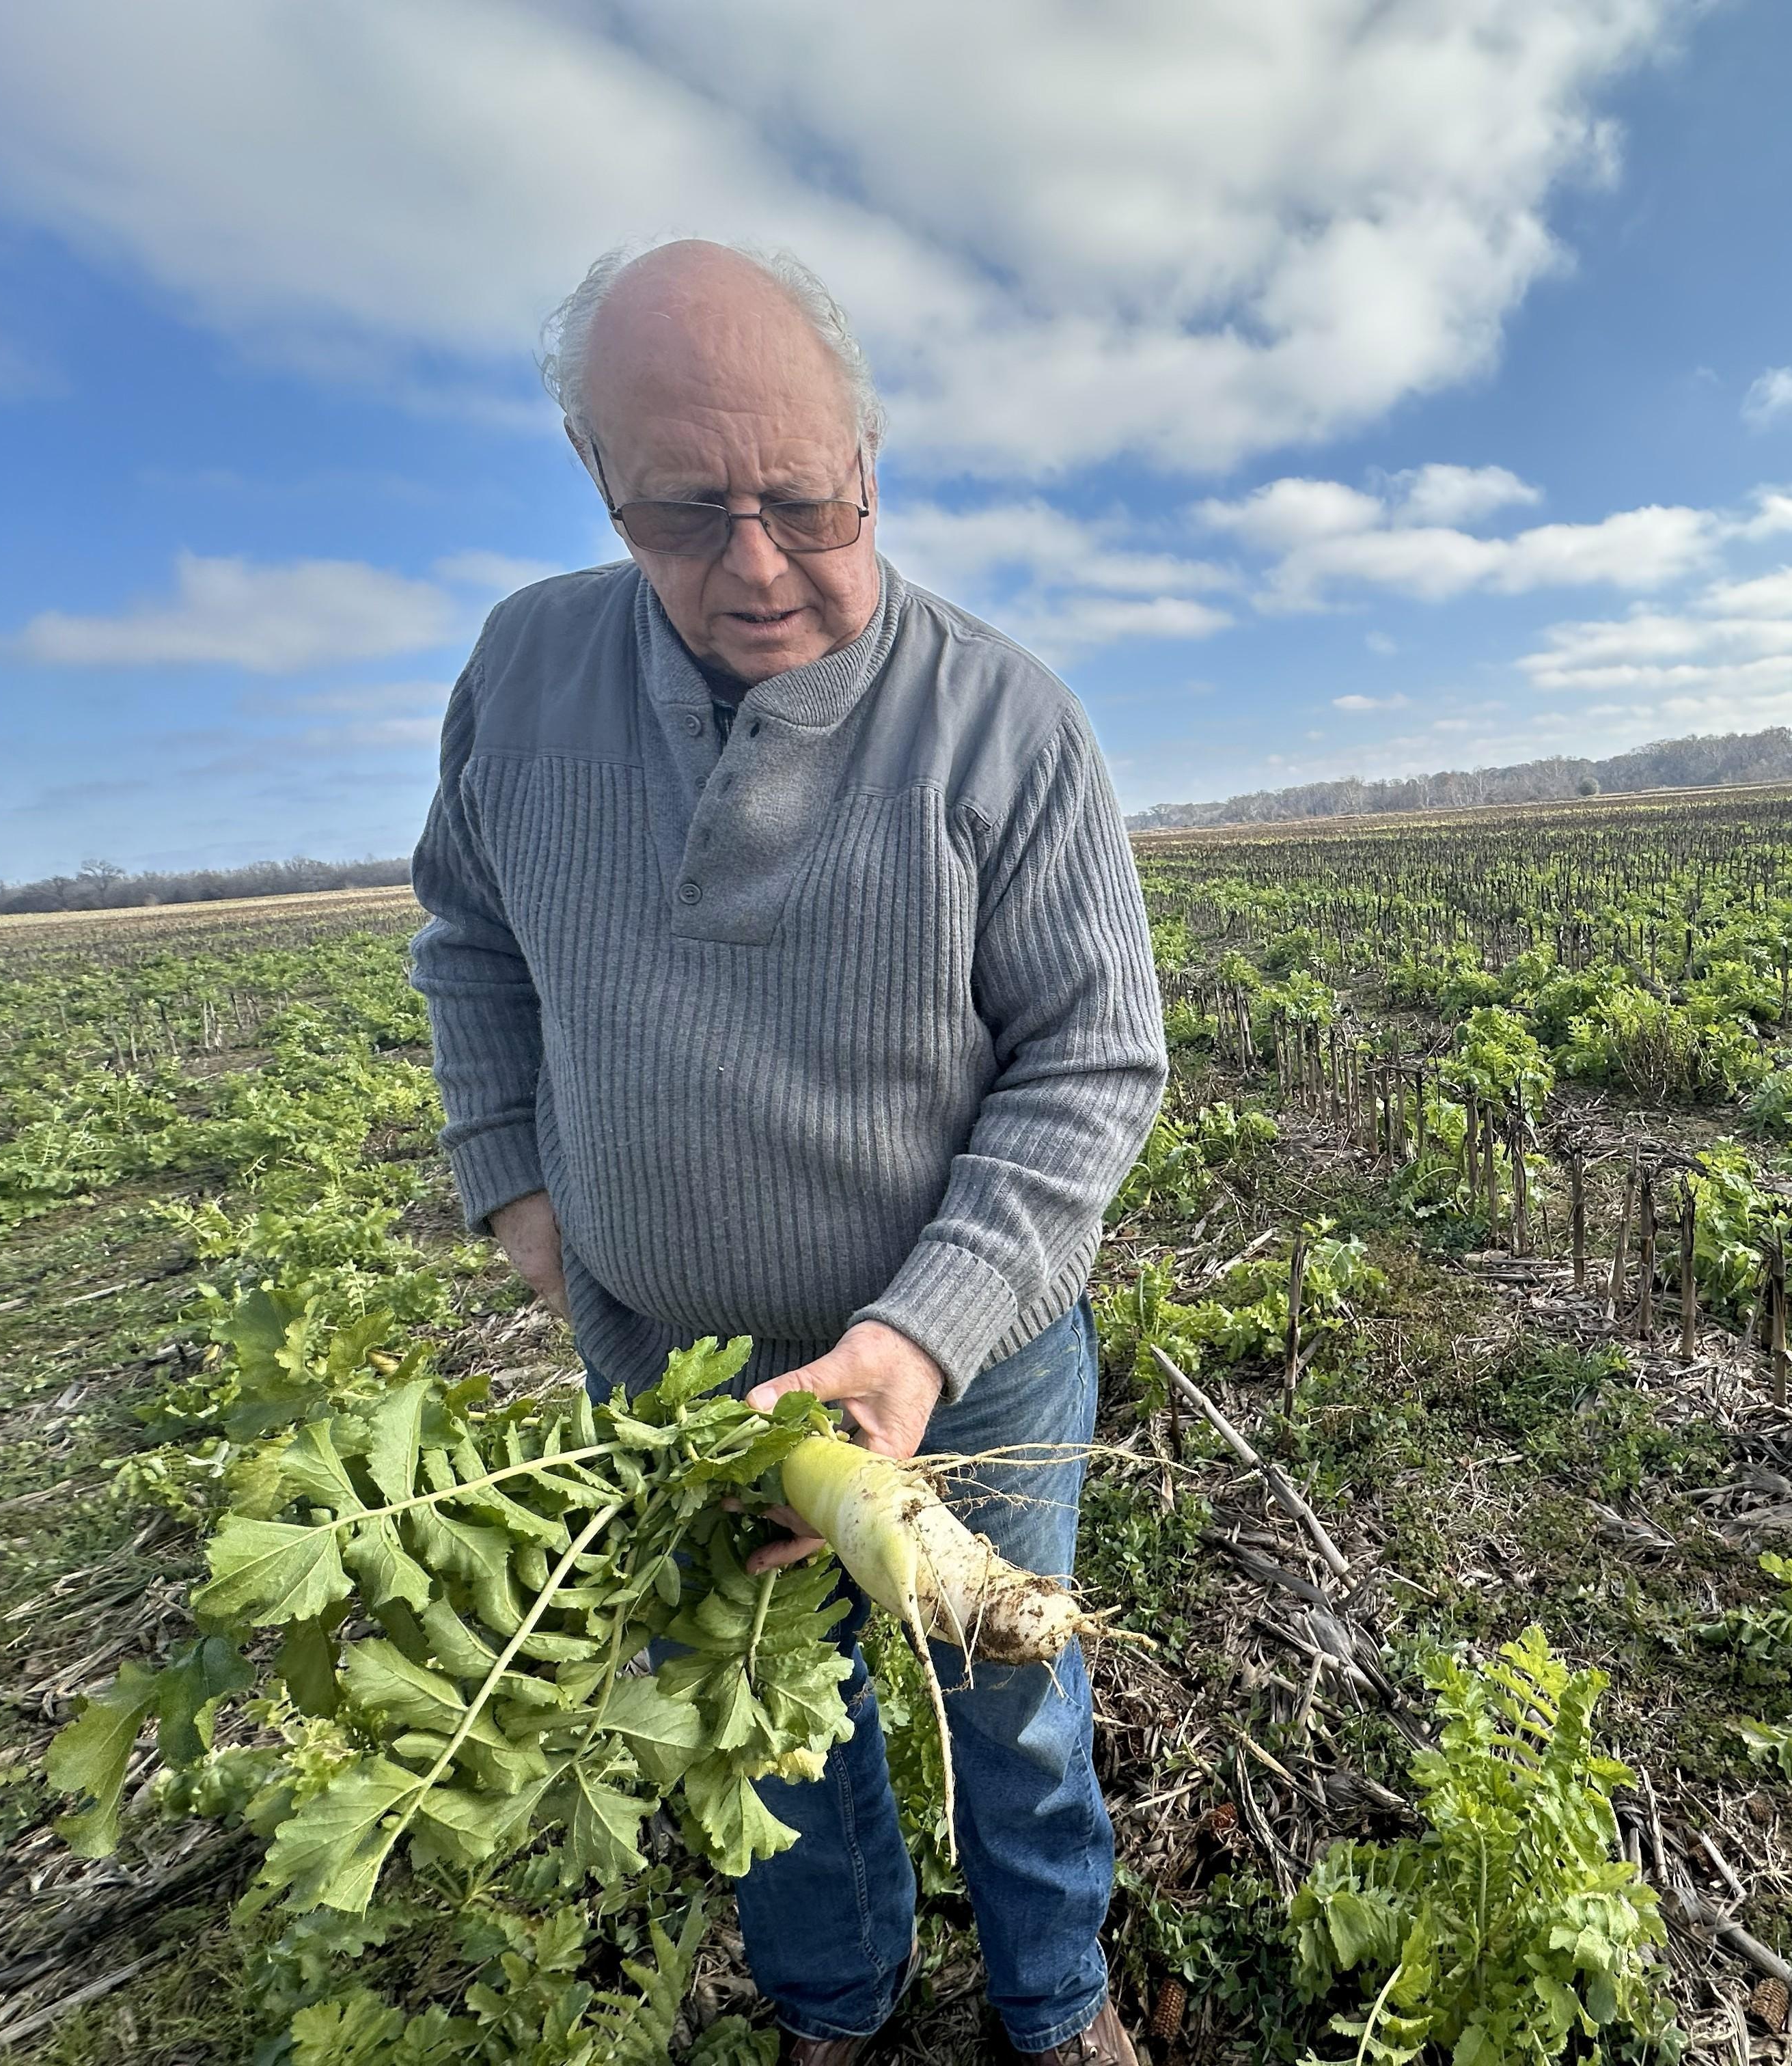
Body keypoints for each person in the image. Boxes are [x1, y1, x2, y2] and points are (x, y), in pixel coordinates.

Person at [408, 237, 1168, 2066]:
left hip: (969, 1364)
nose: (756, 565)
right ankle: (835, 2005)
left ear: (871, 462)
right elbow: (469, 938)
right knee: (763, 1711)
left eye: (805, 504)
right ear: (600, 480)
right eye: (689, 512)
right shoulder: (524, 676)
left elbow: (1093, 1058)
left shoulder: (1002, 723)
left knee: (1012, 1682)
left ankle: (1057, 2001)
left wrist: (919, 1335)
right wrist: (520, 1184)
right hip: (675, 1374)